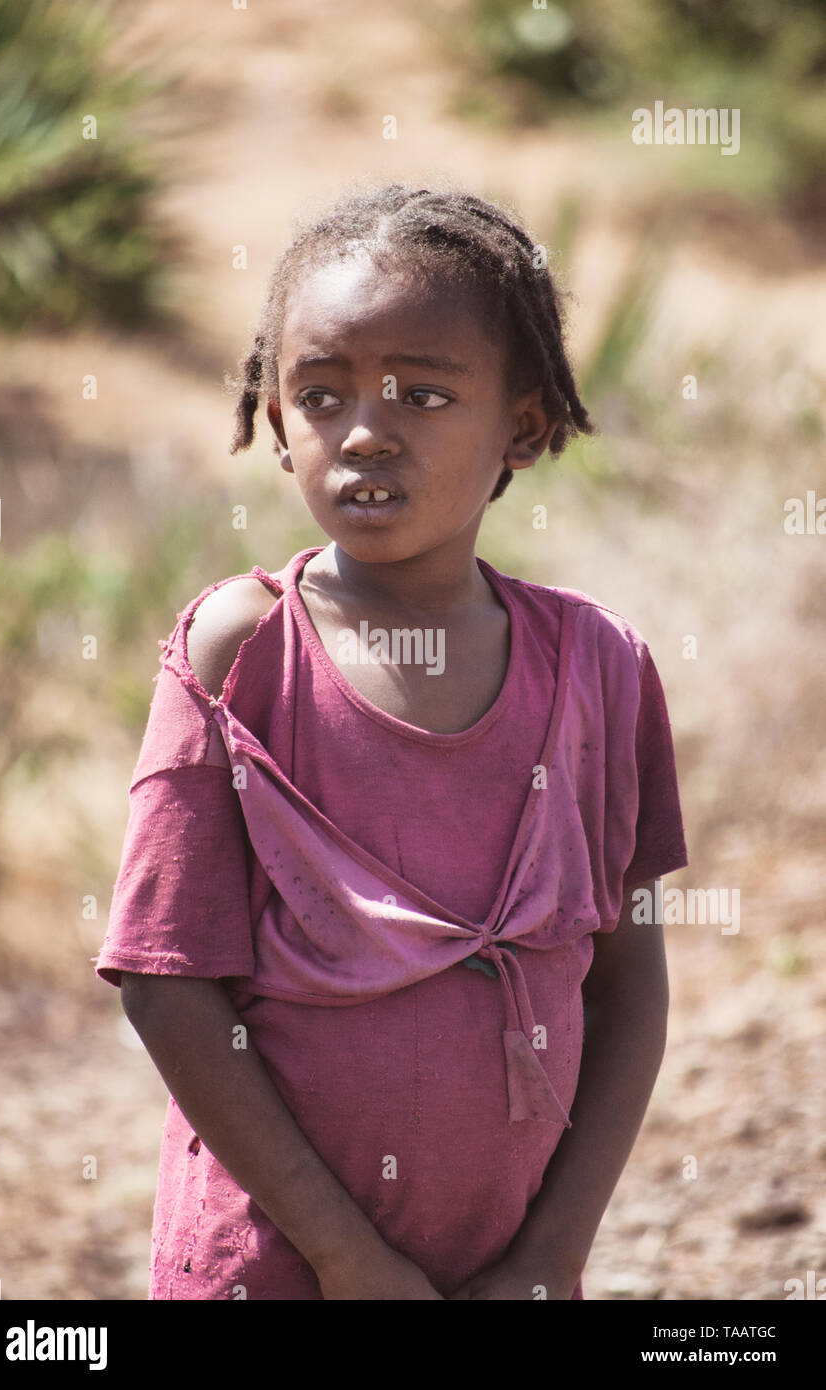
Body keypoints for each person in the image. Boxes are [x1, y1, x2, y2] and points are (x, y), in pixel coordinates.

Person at [94, 182, 688, 1300]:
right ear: (276, 425)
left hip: (501, 1269)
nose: (365, 431)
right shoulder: (242, 653)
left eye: (423, 392)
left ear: (524, 422)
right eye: (322, 395)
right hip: (274, 1270)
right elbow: (167, 986)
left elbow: (630, 984)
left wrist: (554, 1256)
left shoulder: (601, 669)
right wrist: (349, 1259)